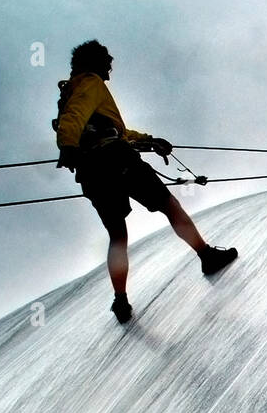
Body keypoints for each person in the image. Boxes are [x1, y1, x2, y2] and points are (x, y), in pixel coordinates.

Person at [54, 39, 237, 323]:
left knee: (117, 236)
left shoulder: (72, 91)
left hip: (91, 172)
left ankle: (120, 300)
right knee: (168, 204)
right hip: (117, 158)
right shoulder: (90, 83)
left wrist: (148, 141)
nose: (111, 63)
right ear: (95, 62)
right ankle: (206, 255)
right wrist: (67, 144)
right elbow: (81, 119)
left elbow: (101, 126)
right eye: (107, 58)